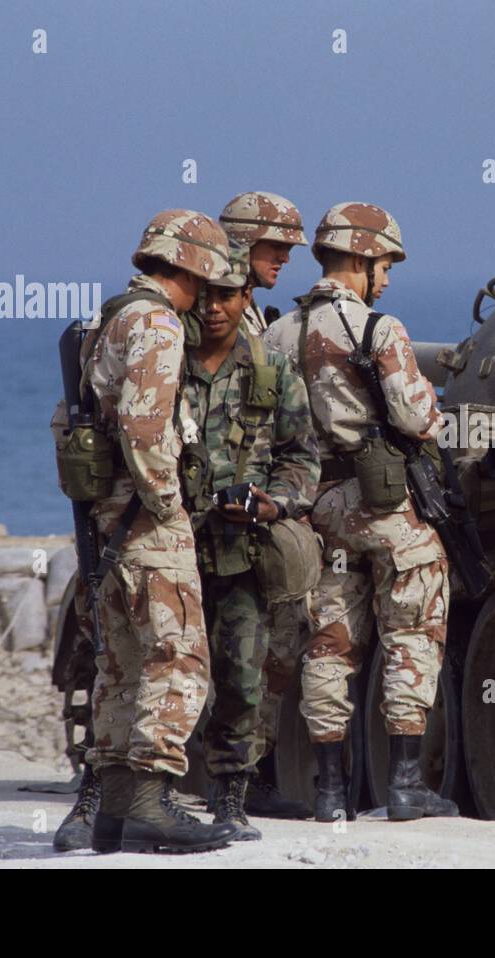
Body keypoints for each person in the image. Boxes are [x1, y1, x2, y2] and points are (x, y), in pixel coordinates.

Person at [263, 202, 458, 822]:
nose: (389, 278)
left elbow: (262, 432)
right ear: (358, 259)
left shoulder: (276, 335)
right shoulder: (378, 329)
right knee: (412, 627)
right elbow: (416, 417)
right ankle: (404, 783)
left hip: (318, 505)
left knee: (330, 638)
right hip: (384, 506)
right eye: (384, 264)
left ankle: (326, 792)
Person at [50, 209, 238, 854]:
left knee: (122, 666)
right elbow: (145, 427)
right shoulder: (157, 323)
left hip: (106, 521)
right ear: (195, 267)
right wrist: (167, 504)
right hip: (145, 521)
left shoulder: (110, 318)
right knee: (178, 656)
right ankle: (154, 800)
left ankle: (113, 813)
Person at [180, 245, 319, 838]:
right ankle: (132, 793)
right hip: (171, 545)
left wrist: (274, 501)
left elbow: (302, 458)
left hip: (240, 549)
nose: (214, 308)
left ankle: (230, 798)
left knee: (242, 678)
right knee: (161, 674)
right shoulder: (166, 361)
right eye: (205, 293)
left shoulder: (270, 370)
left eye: (228, 295)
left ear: (245, 299)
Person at [217, 190, 308, 341]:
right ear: (244, 241)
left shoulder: (247, 303)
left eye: (289, 248)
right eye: (277, 246)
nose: (285, 258)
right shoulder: (215, 309)